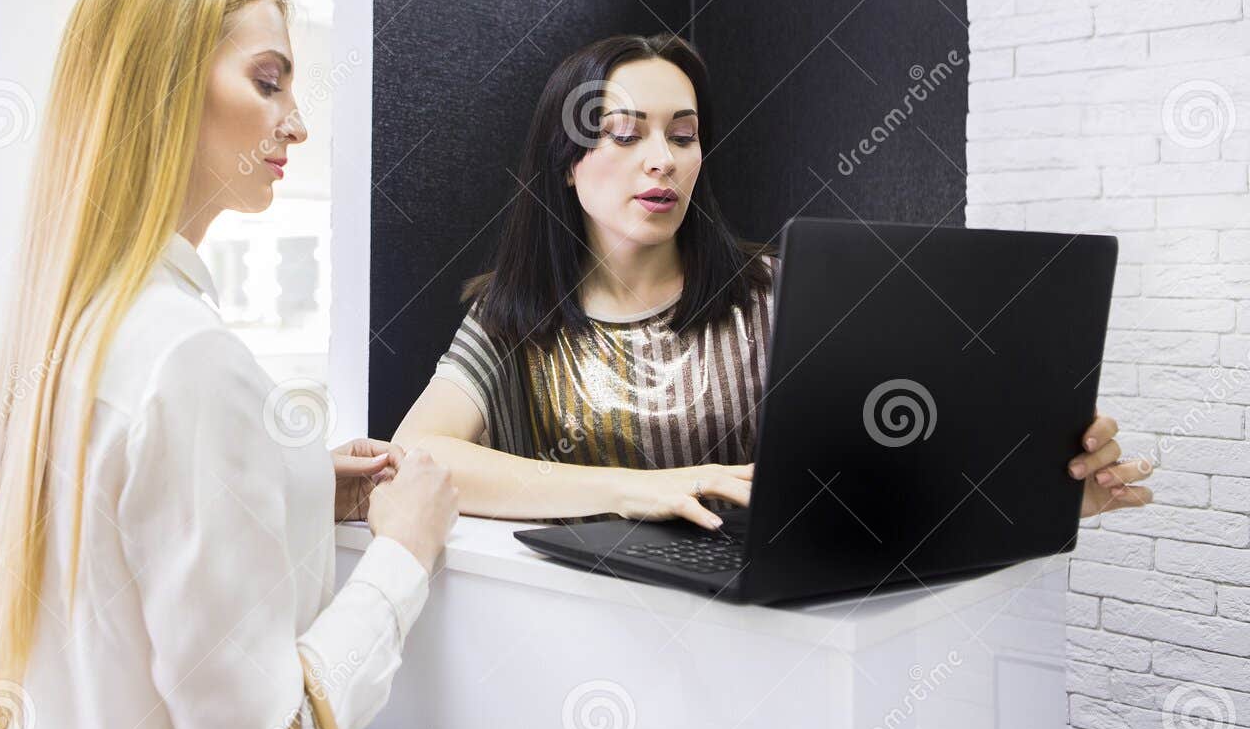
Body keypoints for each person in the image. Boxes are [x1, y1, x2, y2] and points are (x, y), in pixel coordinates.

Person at [0, 0, 457, 729]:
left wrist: (288, 483)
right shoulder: (186, 358)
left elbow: (123, 555)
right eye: (268, 82)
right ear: (166, 88)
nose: (295, 121)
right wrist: (402, 556)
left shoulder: (70, 326)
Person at [393, 32, 1152, 528]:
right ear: (566, 161)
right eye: (626, 133)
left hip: (762, 643)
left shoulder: (773, 293)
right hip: (573, 639)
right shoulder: (511, 316)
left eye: (683, 136)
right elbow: (421, 457)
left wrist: (1043, 492)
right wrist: (636, 489)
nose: (662, 158)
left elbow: (901, 456)